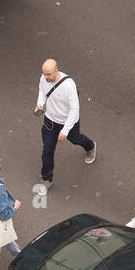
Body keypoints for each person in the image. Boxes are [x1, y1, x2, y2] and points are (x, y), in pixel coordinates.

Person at [35, 58, 96, 189]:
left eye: (48, 74)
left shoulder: (69, 85)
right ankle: (47, 179)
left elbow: (74, 109)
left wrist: (65, 130)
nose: (45, 77)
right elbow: (42, 91)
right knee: (47, 150)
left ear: (56, 71)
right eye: (43, 73)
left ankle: (90, 146)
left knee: (76, 139)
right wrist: (40, 104)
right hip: (50, 120)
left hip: (68, 121)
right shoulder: (43, 78)